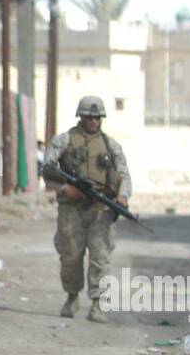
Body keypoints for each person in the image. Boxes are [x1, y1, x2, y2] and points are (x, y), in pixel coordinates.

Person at [42, 95, 133, 322]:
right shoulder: (63, 141)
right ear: (80, 117)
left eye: (97, 117)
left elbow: (124, 175)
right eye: (89, 117)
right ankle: (72, 297)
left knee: (100, 256)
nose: (93, 121)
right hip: (71, 208)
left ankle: (97, 304)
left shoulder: (111, 146)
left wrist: (122, 196)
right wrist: (66, 189)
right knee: (70, 254)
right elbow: (47, 170)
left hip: (100, 207)